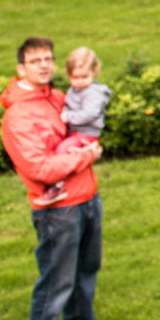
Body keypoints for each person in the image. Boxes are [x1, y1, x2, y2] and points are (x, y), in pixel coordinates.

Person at [0, 36, 114, 320]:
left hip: (87, 197)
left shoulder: (58, 97)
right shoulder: (19, 116)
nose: (45, 65)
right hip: (58, 209)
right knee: (56, 280)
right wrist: (86, 155)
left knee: (87, 267)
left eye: (48, 58)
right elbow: (39, 168)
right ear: (21, 68)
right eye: (36, 61)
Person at [37, 47, 112, 207]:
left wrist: (67, 117)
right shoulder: (76, 89)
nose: (79, 82)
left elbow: (89, 114)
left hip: (86, 133)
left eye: (84, 77)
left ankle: (57, 186)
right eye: (74, 78)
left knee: (62, 150)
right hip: (76, 131)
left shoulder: (93, 93)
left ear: (94, 72)